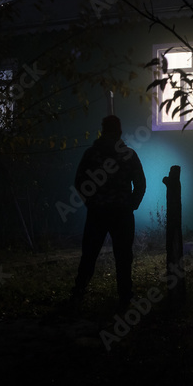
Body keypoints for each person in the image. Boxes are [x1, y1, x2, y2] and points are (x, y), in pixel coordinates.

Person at [69, 115, 146, 310]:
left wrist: (91, 203)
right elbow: (140, 183)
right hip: (121, 213)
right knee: (123, 256)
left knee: (90, 254)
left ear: (102, 131)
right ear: (119, 132)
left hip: (98, 212)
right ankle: (125, 296)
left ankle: (79, 292)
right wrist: (131, 205)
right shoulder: (128, 154)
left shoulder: (91, 154)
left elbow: (79, 182)